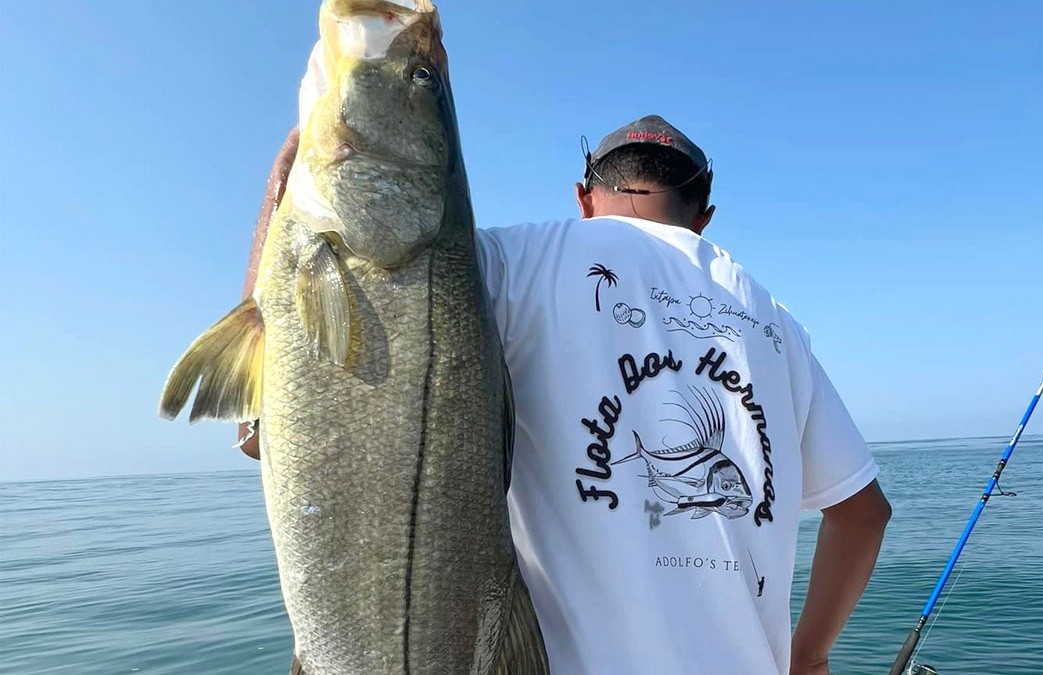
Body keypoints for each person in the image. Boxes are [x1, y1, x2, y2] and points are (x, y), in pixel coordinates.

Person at [237, 48, 890, 675]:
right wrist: (810, 656)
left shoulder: (512, 264)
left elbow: (304, 359)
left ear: (582, 197)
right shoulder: (778, 323)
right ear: (704, 217)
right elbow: (863, 512)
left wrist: (293, 169)